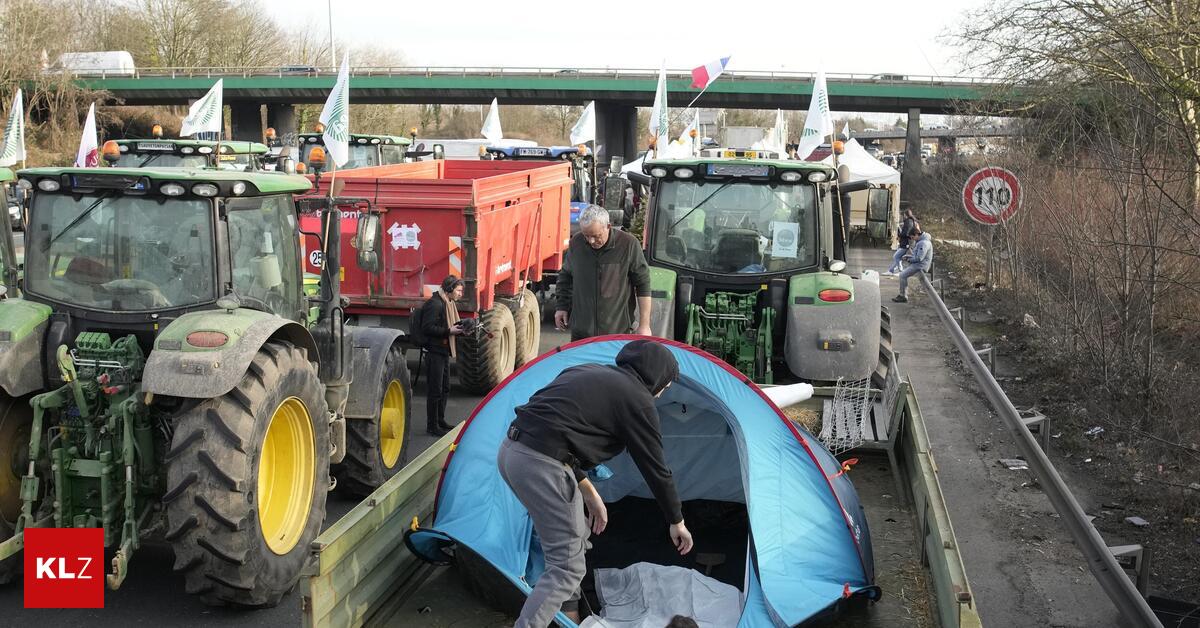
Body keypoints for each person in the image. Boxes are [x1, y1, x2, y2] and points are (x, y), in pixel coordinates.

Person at [497, 339, 694, 627]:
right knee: (566, 567)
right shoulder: (637, 399)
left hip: (511, 453)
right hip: (542, 466)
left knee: (575, 539)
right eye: (665, 386)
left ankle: (571, 614)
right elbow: (655, 468)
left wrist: (588, 490)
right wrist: (676, 520)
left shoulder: (586, 371)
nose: (662, 393)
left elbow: (558, 430)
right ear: (656, 378)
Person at [555, 205, 653, 340]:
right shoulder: (576, 243)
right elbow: (565, 276)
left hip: (617, 333)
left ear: (608, 226)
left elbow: (643, 284)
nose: (591, 241)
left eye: (596, 236)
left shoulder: (628, 245)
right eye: (586, 236)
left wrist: (644, 325)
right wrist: (561, 307)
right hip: (581, 334)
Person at [418, 275, 466, 436]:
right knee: (435, 390)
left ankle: (440, 420)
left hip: (443, 351)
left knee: (445, 388)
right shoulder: (435, 304)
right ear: (449, 289)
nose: (460, 294)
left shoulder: (447, 303)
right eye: (458, 291)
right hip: (434, 352)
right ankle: (432, 426)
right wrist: (448, 331)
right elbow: (427, 328)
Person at [894, 225, 933, 303]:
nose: (913, 239)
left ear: (916, 235)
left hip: (921, 265)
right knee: (903, 275)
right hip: (920, 264)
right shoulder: (922, 241)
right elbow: (917, 256)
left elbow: (919, 258)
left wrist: (909, 260)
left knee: (902, 275)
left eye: (912, 237)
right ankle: (902, 295)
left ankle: (903, 296)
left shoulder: (923, 243)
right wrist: (908, 256)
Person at [884, 209, 917, 276]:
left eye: (903, 214)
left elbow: (906, 233)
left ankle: (901, 271)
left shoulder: (908, 222)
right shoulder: (910, 221)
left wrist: (899, 235)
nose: (903, 216)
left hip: (906, 243)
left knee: (896, 256)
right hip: (906, 242)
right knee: (898, 257)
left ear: (905, 215)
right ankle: (891, 271)